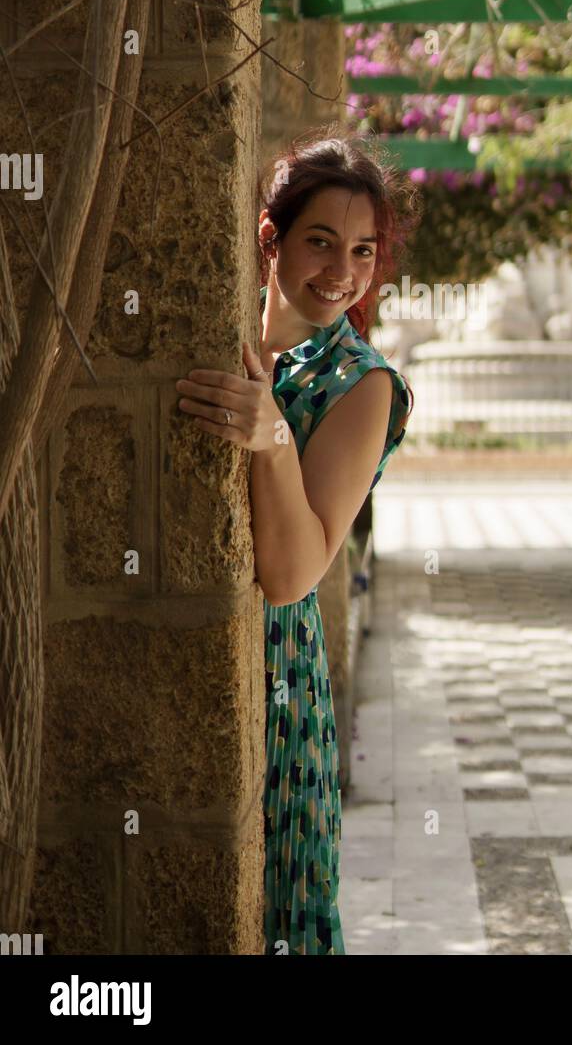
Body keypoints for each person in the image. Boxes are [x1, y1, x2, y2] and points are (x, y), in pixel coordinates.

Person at [175, 124, 421, 953]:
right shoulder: (217, 330)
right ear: (268, 238)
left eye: (361, 251)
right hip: (187, 653)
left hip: (280, 679)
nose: (341, 273)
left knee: (280, 910)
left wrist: (274, 436)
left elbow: (293, 573)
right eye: (321, 242)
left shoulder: (363, 384)